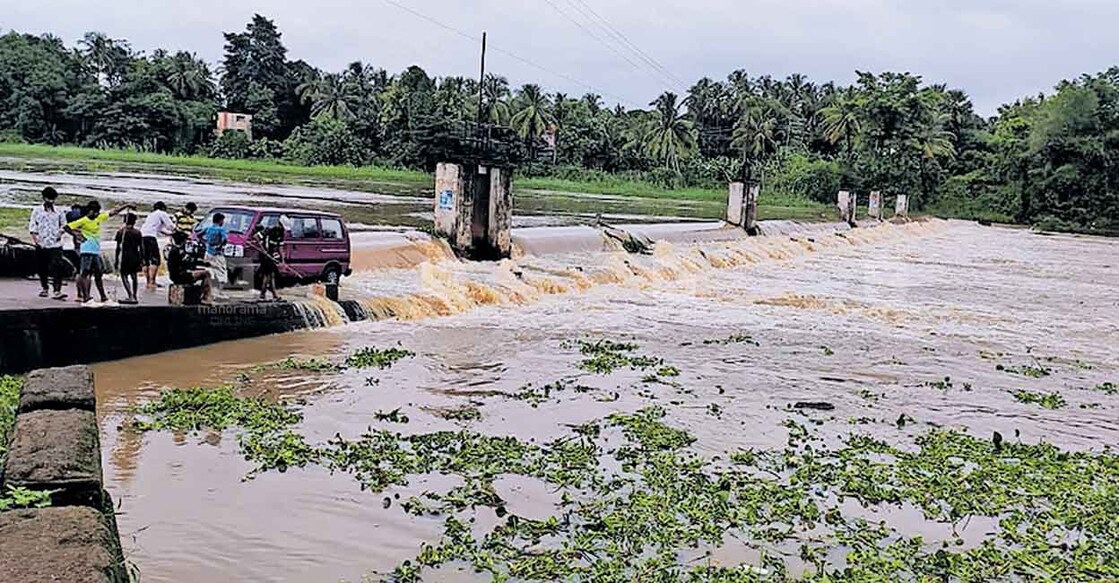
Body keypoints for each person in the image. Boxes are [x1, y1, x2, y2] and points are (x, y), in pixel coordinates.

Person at [65, 201, 131, 304]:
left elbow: (113, 212)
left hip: (95, 250)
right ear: (91, 211)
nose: (97, 214)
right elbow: (67, 227)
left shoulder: (98, 218)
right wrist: (77, 235)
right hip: (86, 249)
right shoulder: (83, 220)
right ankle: (86, 298)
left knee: (98, 273)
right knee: (85, 273)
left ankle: (103, 297)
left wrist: (126, 206)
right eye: (96, 212)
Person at [27, 187, 69, 300]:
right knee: (42, 267)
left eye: (53, 199)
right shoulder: (37, 211)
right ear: (44, 198)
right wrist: (36, 241)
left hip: (56, 244)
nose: (51, 201)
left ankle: (57, 290)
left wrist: (59, 234)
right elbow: (33, 227)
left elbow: (64, 225)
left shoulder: (59, 211)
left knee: (57, 266)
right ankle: (44, 288)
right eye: (49, 199)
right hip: (42, 243)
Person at [166, 231, 212, 304]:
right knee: (206, 274)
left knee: (201, 272)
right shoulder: (178, 251)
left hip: (176, 275)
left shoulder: (174, 250)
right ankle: (206, 297)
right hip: (181, 275)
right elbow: (188, 262)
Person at [139, 201, 176, 290]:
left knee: (146, 260)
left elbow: (160, 229)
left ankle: (148, 282)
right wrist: (176, 230)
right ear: (163, 208)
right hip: (151, 237)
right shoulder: (162, 213)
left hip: (142, 236)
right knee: (155, 260)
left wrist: (169, 234)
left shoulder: (151, 215)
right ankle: (152, 282)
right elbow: (170, 226)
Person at [114, 213, 143, 304]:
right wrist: (142, 259)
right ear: (134, 222)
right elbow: (141, 247)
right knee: (134, 276)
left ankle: (130, 295)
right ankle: (134, 295)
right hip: (135, 256)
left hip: (125, 256)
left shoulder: (121, 232)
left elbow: (118, 248)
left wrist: (116, 260)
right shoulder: (138, 232)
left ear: (124, 221)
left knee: (124, 275)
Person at [251, 224, 285, 301]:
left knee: (271, 275)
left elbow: (280, 248)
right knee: (268, 275)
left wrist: (283, 261)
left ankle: (272, 295)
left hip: (271, 256)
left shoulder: (281, 234)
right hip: (265, 256)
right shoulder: (268, 231)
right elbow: (256, 237)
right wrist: (263, 249)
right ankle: (264, 295)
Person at [201, 212, 228, 286]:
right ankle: (220, 289)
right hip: (217, 253)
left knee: (209, 270)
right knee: (221, 271)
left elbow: (198, 235)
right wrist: (220, 245)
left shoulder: (208, 228)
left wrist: (204, 242)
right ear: (220, 221)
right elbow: (225, 239)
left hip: (208, 251)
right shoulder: (221, 230)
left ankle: (209, 287)